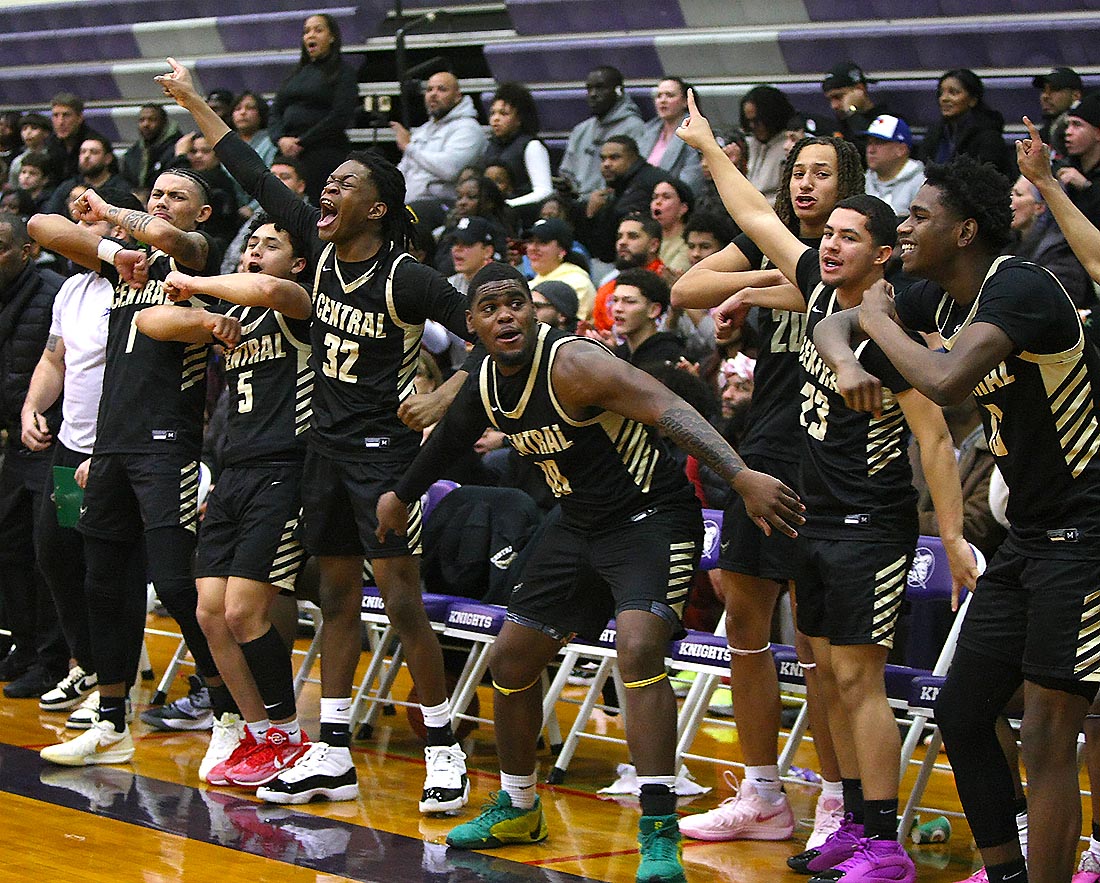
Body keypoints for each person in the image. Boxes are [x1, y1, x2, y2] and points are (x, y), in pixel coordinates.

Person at [375, 260, 804, 883]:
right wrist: (401, 493)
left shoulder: (574, 364)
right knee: (513, 661)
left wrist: (739, 476)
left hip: (650, 517)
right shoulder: (487, 380)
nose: (506, 316)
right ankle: (519, 806)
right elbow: (448, 441)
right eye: (490, 309)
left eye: (516, 303)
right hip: (575, 524)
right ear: (471, 326)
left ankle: (658, 831)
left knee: (637, 651)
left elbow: (668, 407)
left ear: (534, 309)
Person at [158, 56, 475, 811]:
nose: (327, 191)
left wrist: (450, 393)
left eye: (345, 186)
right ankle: (330, 751)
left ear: (377, 208)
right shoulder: (319, 247)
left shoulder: (405, 276)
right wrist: (198, 104)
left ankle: (443, 749)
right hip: (323, 455)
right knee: (335, 600)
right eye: (326, 185)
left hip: (385, 461)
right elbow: (248, 166)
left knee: (401, 603)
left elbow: (496, 340)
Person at [676, 96, 976, 880]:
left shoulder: (891, 332)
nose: (829, 243)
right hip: (815, 518)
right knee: (831, 678)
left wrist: (948, 536)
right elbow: (755, 210)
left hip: (869, 524)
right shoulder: (815, 289)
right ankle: (850, 817)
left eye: (849, 236)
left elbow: (938, 439)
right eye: (830, 233)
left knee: (855, 678)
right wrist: (709, 146)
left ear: (883, 255)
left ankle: (883, 842)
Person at [816, 131, 1099, 883]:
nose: (902, 229)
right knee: (964, 710)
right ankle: (1004, 871)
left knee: (1046, 732)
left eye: (916, 217)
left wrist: (876, 322)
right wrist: (850, 357)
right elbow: (831, 319)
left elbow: (944, 382)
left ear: (964, 230)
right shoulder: (941, 294)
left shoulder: (1022, 287)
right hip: (1031, 536)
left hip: (1090, 535)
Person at [31, 165, 231, 765]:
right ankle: (111, 723)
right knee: (101, 582)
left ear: (203, 214)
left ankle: (225, 713)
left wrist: (116, 215)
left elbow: (174, 241)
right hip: (106, 448)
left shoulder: (197, 261)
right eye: (158, 195)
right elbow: (41, 225)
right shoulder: (124, 267)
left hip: (167, 445)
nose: (165, 204)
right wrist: (116, 246)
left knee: (173, 583)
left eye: (179, 197)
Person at [135, 218, 314, 788]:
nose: (255, 252)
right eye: (251, 244)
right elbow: (148, 320)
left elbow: (266, 289)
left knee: (243, 611)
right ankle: (256, 733)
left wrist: (199, 283)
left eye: (271, 246)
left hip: (284, 472)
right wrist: (210, 317)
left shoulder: (299, 308)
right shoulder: (233, 318)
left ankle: (288, 733)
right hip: (233, 475)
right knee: (208, 612)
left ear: (299, 263)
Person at [19, 190, 144, 715]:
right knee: (56, 552)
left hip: (117, 454)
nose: (76, 229)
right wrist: (31, 406)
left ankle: (115, 683)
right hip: (72, 448)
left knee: (109, 570)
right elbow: (55, 359)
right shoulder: (73, 287)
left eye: (88, 219)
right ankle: (86, 663)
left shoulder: (139, 285)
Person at [0, 213, 67, 696]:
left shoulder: (53, 292)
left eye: (1, 246)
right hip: (17, 443)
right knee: (12, 549)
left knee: (58, 552)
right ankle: (24, 647)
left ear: (27, 250)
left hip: (66, 445)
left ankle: (57, 659)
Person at [268, 13, 358, 203]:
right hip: (287, 147)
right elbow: (276, 110)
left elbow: (340, 115)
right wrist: (280, 139)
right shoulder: (296, 73)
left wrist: (301, 142)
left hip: (323, 146)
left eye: (318, 30)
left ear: (332, 37)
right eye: (307, 31)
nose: (311, 35)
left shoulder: (343, 72)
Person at [393, 71, 487, 208]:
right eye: (429, 89)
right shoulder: (424, 130)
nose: (433, 94)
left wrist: (409, 147)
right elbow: (403, 170)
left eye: (442, 89)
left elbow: (449, 170)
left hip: (443, 205)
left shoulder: (468, 129)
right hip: (408, 204)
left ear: (457, 96)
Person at [580, 135, 671, 265]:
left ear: (633, 159)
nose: (606, 164)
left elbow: (605, 251)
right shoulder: (619, 185)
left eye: (614, 158)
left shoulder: (645, 184)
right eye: (603, 159)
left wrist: (593, 215)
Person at [1007, 174, 1093, 308]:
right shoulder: (1009, 244)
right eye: (1011, 192)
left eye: (1018, 194)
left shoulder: (1061, 254)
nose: (1009, 200)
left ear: (1040, 207)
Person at [559, 65, 645, 200]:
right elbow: (567, 173)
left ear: (618, 91)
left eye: (600, 88)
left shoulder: (634, 128)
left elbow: (636, 178)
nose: (593, 94)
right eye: (589, 89)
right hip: (577, 203)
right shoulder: (581, 130)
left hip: (611, 203)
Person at [920, 69, 1012, 176]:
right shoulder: (935, 133)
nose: (944, 98)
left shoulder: (989, 138)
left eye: (953, 93)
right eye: (941, 93)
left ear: (973, 100)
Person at [484, 82, 553, 211]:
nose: (495, 119)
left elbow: (544, 191)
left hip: (521, 213)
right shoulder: (490, 145)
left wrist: (508, 205)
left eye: (503, 114)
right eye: (493, 113)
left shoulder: (532, 146)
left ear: (519, 119)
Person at [637, 77, 704, 195]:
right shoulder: (646, 131)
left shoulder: (696, 133)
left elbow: (691, 181)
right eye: (659, 96)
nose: (663, 100)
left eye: (670, 95)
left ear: (685, 102)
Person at [610, 268, 685, 367]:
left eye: (630, 301)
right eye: (615, 300)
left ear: (653, 310)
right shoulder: (619, 354)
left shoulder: (670, 358)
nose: (617, 308)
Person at [526, 218, 597, 322]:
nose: (532, 248)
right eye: (530, 242)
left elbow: (572, 327)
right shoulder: (530, 283)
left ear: (562, 250)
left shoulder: (578, 282)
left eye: (542, 242)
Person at [740, 85, 796, 205]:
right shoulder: (749, 145)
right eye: (749, 121)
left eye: (757, 121)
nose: (753, 126)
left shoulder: (790, 146)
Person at [43, 135, 124, 217]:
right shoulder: (67, 186)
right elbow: (48, 216)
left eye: (94, 152)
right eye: (83, 152)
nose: (86, 156)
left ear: (108, 159)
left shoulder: (120, 188)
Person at [862, 114, 925, 218]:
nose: (870, 150)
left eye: (879, 143)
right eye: (869, 143)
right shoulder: (863, 181)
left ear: (901, 150)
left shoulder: (922, 185)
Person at [822, 61, 887, 161]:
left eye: (838, 96)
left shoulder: (886, 119)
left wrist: (851, 111)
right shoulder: (839, 124)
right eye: (830, 99)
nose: (833, 106)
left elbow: (868, 152)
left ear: (859, 89)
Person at [1054, 93, 1100, 231]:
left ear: (1098, 133)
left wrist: (1086, 187)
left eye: (1077, 125)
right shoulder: (1062, 167)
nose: (1068, 132)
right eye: (1068, 125)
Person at [119, 104, 182, 193]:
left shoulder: (177, 149)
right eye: (142, 120)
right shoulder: (133, 153)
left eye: (152, 120)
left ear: (164, 122)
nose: (146, 124)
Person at [45, 92, 105, 183]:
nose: (60, 122)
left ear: (80, 118)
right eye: (56, 115)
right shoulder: (51, 143)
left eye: (66, 115)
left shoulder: (95, 143)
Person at [1033, 66, 1083, 158]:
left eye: (1054, 90)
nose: (1045, 96)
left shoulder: (1084, 137)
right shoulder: (1039, 136)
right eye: (1043, 90)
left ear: (1075, 96)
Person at [650, 178, 693, 274]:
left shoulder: (689, 243)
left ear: (683, 208)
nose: (658, 202)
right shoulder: (648, 240)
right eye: (655, 197)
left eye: (666, 197)